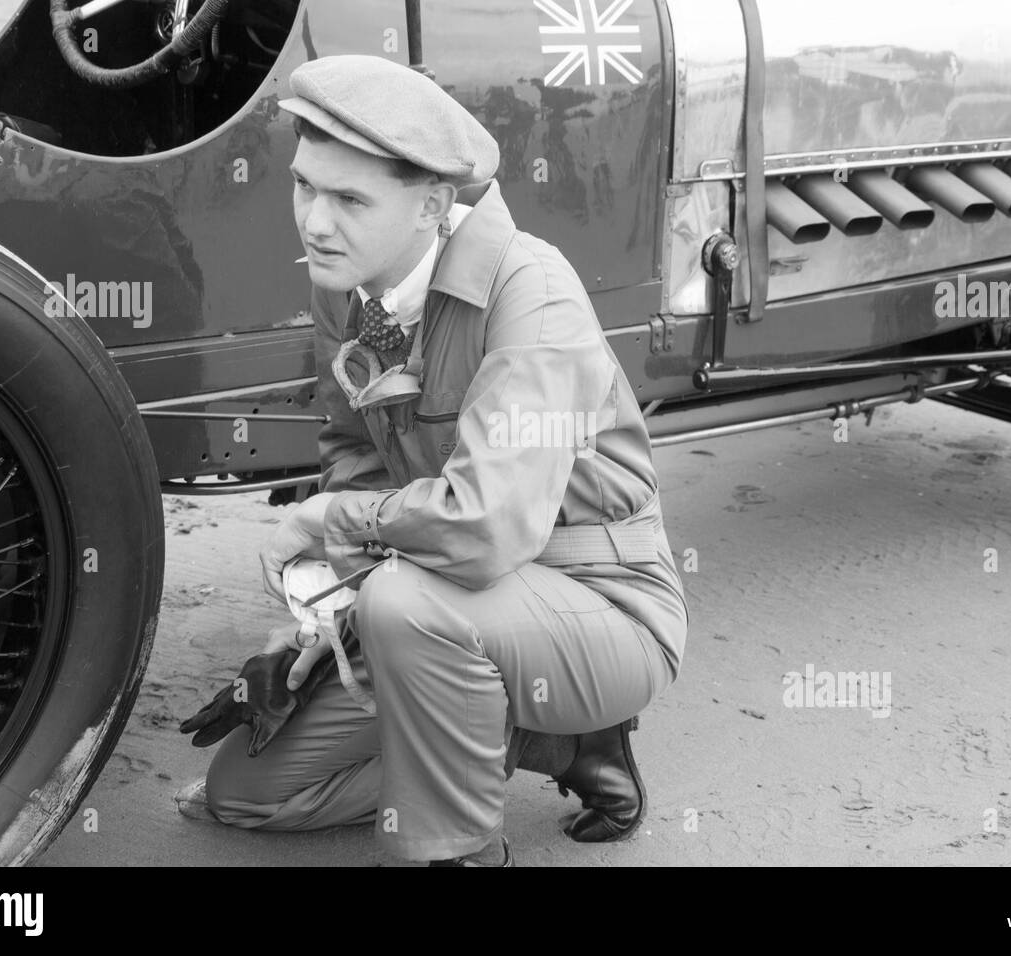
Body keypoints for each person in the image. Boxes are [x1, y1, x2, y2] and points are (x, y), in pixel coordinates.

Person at [177, 53, 689, 867]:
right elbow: (354, 451)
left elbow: (486, 529)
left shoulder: (534, 293)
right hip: (438, 594)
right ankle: (553, 742)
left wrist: (329, 524)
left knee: (405, 607)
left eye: (349, 199)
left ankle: (458, 850)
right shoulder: (345, 283)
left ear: (434, 205)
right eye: (306, 186)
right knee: (246, 793)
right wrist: (330, 609)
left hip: (599, 603)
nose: (314, 222)